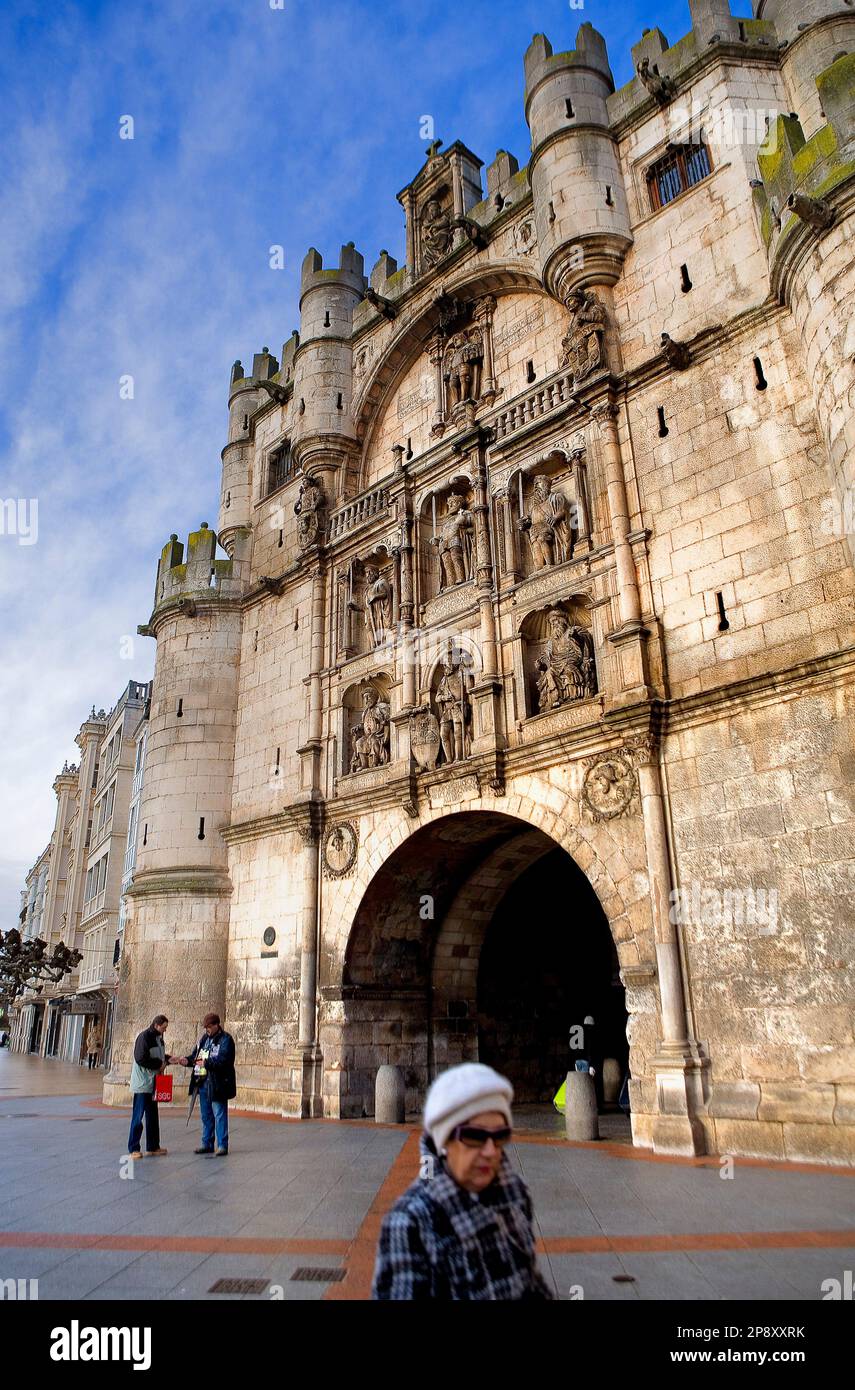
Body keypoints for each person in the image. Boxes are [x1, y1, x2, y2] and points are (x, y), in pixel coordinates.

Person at [372, 1062, 553, 1300]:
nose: (490, 1151)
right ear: (445, 1140)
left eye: (500, 1136)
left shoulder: (514, 1193)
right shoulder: (411, 1222)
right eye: (475, 1136)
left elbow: (529, 1284)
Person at [174, 1013, 236, 1156]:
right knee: (206, 1115)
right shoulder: (204, 1039)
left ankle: (222, 1145)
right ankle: (207, 1143)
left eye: (209, 1027)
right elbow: (196, 1056)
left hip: (217, 1083)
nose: (207, 1030)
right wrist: (187, 1061)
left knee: (219, 1114)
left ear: (216, 1025)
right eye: (205, 1027)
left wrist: (207, 1063)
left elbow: (224, 1061)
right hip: (202, 1082)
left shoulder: (226, 1040)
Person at [128, 1015, 170, 1159]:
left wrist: (170, 1059)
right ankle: (133, 1148)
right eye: (164, 1027)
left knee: (152, 1116)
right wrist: (159, 1064)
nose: (165, 1030)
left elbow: (160, 1056)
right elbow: (140, 1058)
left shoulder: (159, 1038)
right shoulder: (144, 1037)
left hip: (153, 1082)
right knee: (138, 1116)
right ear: (157, 1025)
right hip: (142, 1083)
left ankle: (153, 1146)